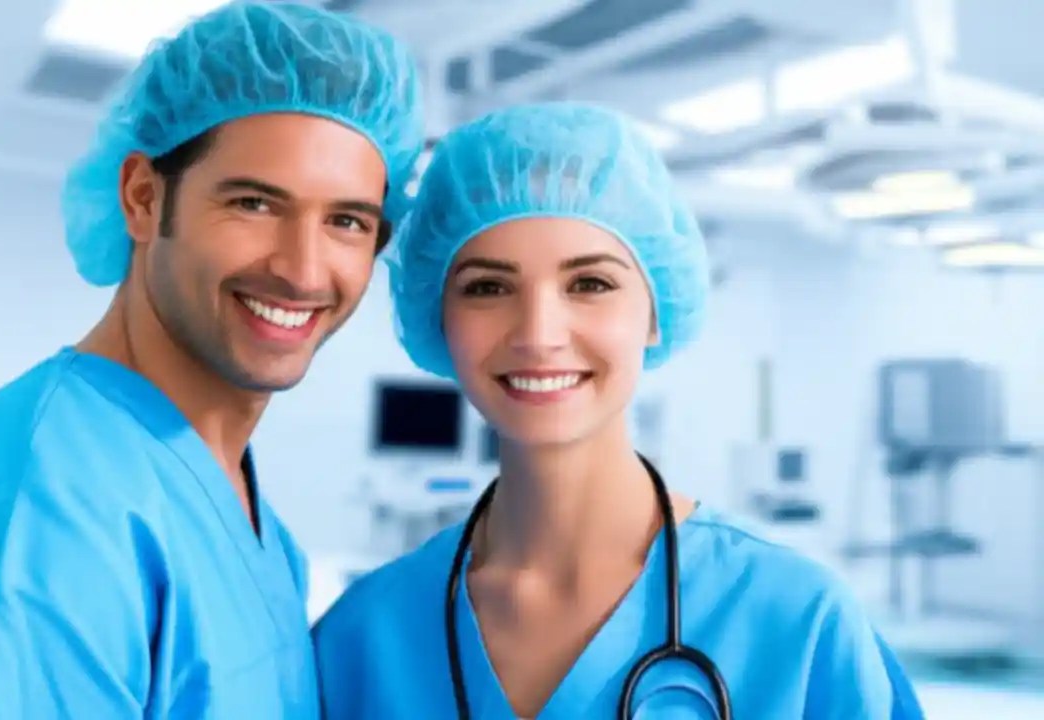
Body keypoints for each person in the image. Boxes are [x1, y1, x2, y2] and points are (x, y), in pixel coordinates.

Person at [0, 3, 424, 718]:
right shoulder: (42, 521)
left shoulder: (246, 514)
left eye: (346, 221)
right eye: (255, 203)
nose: (302, 269)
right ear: (143, 198)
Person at [313, 103, 924, 719]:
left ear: (657, 310)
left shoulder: (796, 621)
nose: (538, 334)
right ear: (439, 320)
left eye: (590, 284)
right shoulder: (364, 638)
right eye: (487, 287)